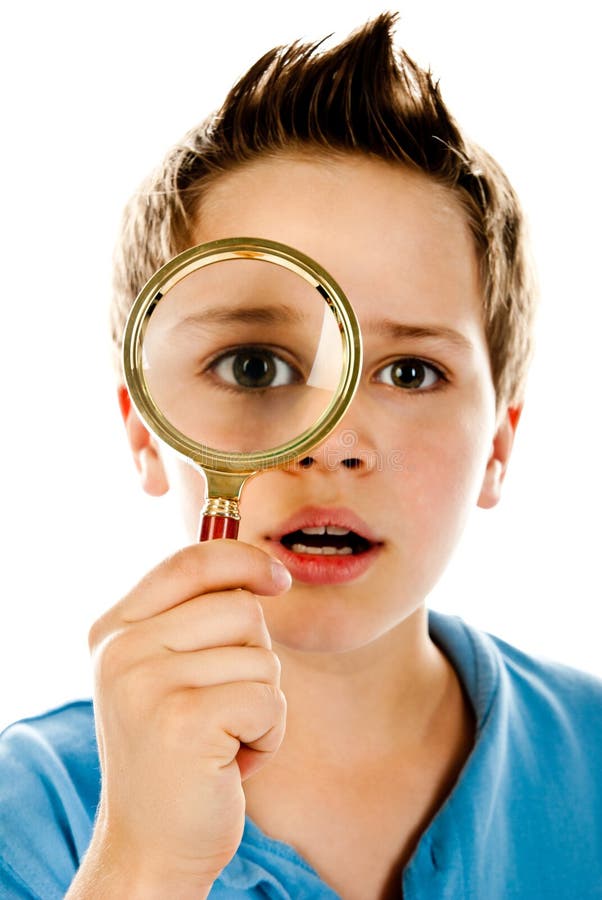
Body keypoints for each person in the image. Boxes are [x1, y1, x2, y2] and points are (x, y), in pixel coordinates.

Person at [1, 12, 601, 899]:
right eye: (255, 365)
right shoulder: (34, 813)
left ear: (500, 447)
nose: (330, 444)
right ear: (146, 426)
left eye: (410, 369)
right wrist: (141, 865)